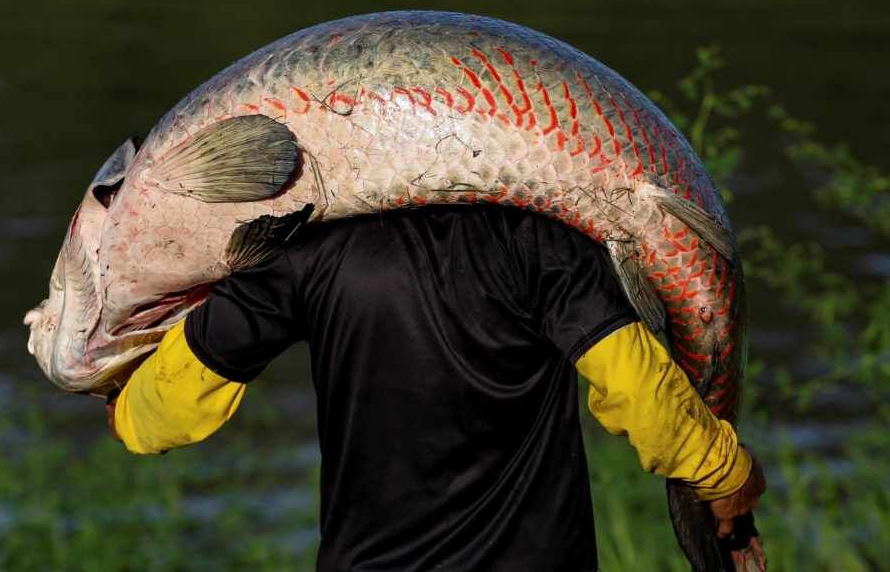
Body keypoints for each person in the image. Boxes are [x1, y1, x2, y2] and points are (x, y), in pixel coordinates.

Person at [105, 204, 765, 571]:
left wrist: (124, 408)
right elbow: (639, 392)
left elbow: (159, 417)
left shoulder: (305, 249)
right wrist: (724, 472)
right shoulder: (543, 240)